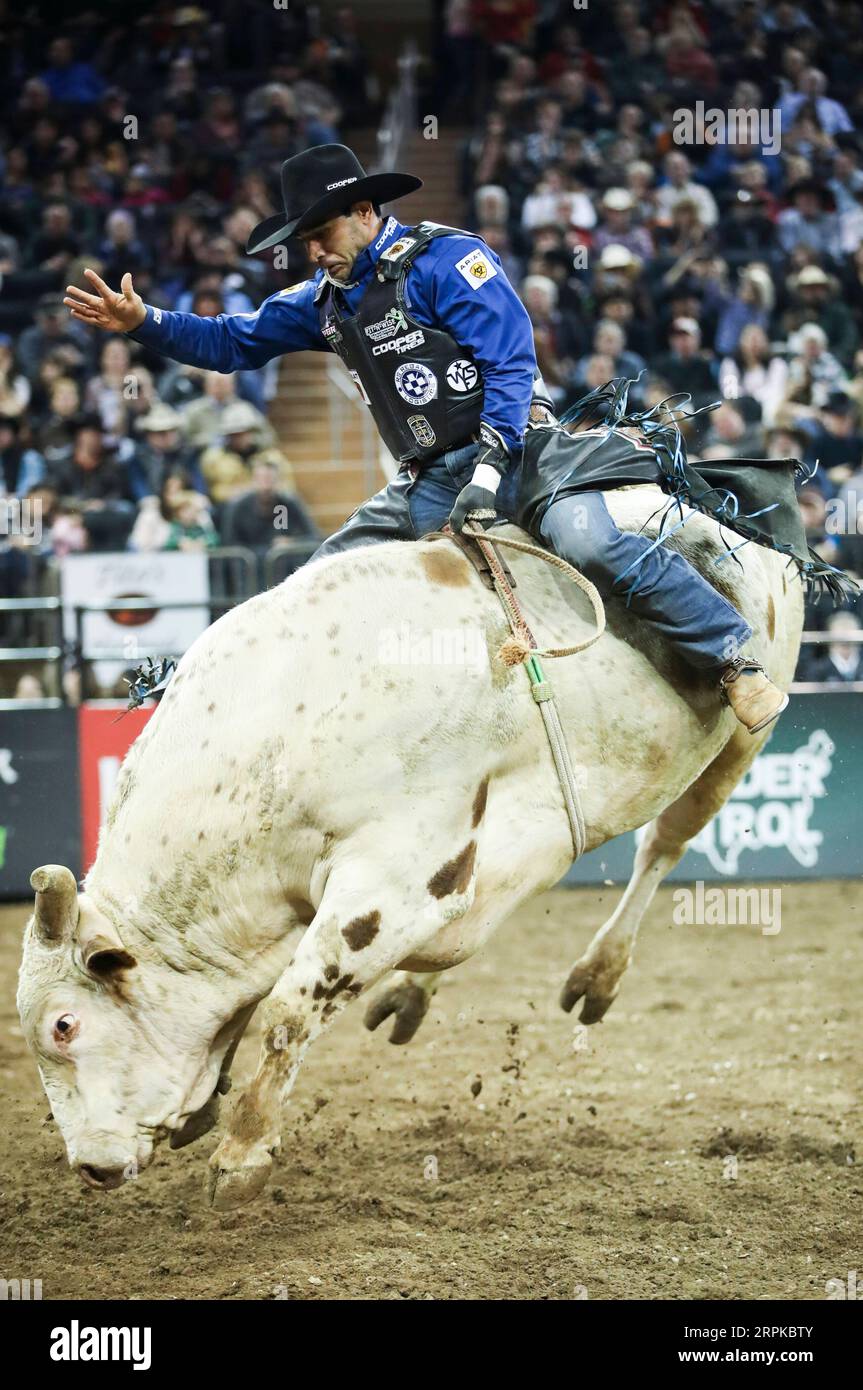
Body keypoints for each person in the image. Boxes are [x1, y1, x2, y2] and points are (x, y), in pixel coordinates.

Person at [64, 142, 788, 733]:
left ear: (363, 211)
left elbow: (509, 364)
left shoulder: (448, 262)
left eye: (318, 234)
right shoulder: (322, 302)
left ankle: (734, 659)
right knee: (316, 585)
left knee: (589, 539)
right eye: (303, 240)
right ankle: (253, 709)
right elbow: (232, 342)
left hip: (521, 457)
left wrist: (487, 470)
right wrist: (146, 324)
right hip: (428, 478)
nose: (310, 252)